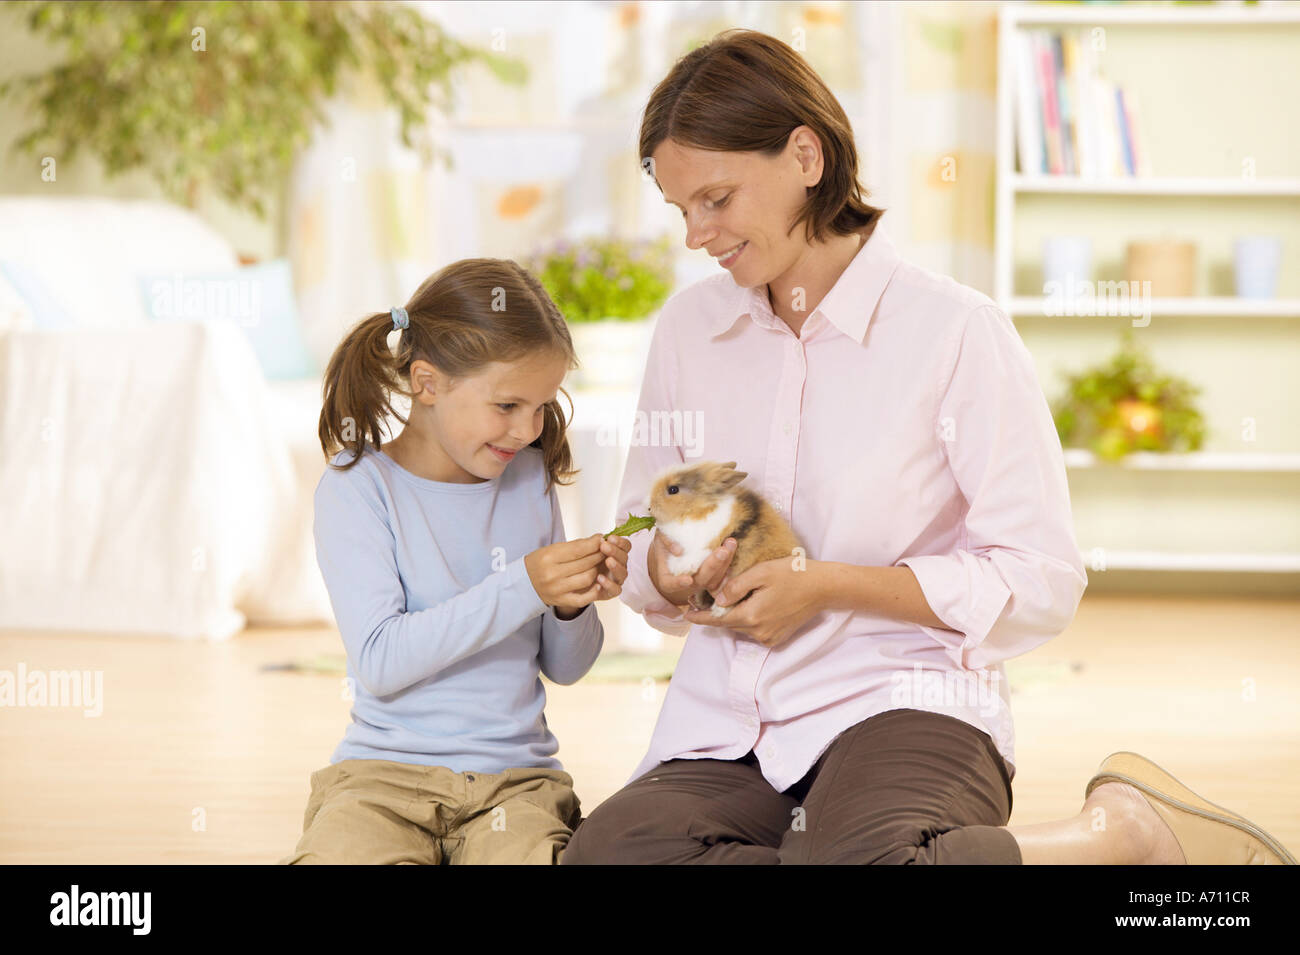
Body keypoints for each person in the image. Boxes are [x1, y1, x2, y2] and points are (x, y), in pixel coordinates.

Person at [561, 29, 1295, 865]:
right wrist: (669, 571)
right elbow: (642, 528)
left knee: (857, 855)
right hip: (731, 719)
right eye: (681, 208)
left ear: (805, 155)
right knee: (604, 857)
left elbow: (1040, 576)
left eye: (717, 199)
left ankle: (1118, 836)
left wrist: (827, 587)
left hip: (904, 700)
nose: (696, 234)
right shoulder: (691, 331)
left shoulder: (955, 332)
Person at [280, 258, 632, 864]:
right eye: (507, 405)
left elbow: (566, 669)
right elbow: (382, 660)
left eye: (542, 406)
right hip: (380, 782)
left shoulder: (529, 481)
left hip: (516, 784)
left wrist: (571, 607)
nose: (528, 429)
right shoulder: (359, 487)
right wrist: (525, 585)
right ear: (427, 383)